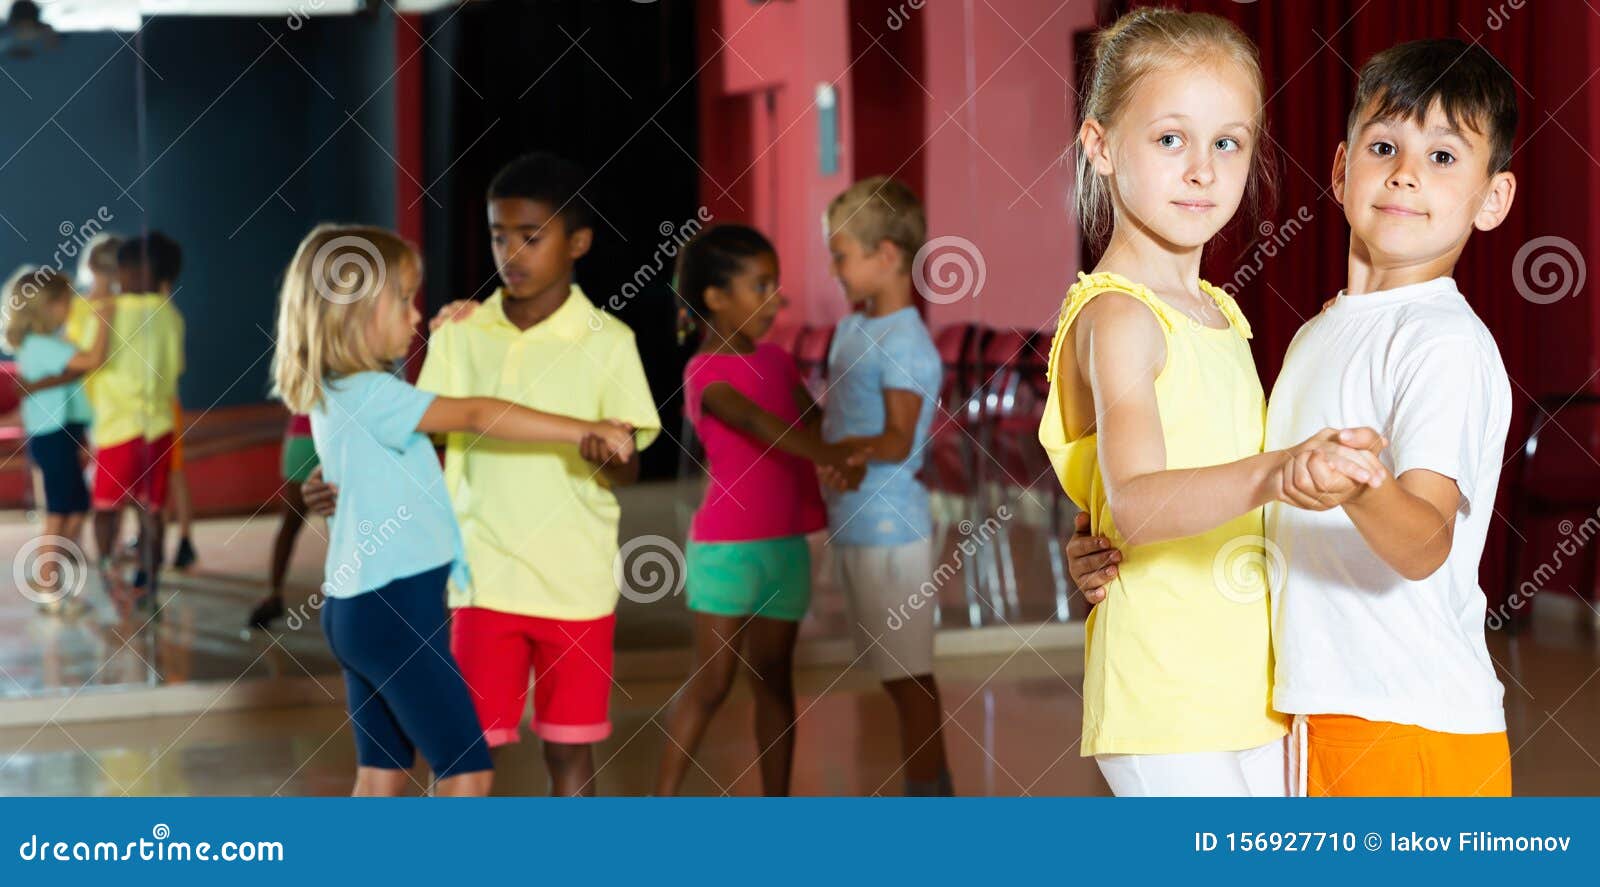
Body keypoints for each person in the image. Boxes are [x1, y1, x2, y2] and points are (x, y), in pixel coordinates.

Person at [1065, 37, 1520, 798]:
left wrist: (1363, 487)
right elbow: (1236, 487)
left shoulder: (1443, 341)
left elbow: (1424, 542)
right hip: (1310, 710)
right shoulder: (1316, 333)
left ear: (1493, 198)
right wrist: (1105, 531)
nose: (1406, 173)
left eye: (1443, 157)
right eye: (1384, 147)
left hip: (1407, 716)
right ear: (1341, 170)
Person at [1037, 7, 1382, 797]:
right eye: (1170, 139)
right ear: (1100, 147)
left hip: (1248, 686)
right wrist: (1279, 471)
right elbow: (1138, 503)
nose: (1202, 170)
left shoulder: (1220, 312)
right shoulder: (1119, 315)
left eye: (1227, 142)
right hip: (1165, 694)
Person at [305, 152, 662, 795]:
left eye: (531, 236)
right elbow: (427, 429)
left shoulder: (610, 341)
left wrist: (615, 457)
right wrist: (341, 483)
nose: (511, 253)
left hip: (576, 584)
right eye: (499, 236)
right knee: (465, 757)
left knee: (569, 755)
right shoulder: (459, 332)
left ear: (578, 242)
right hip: (480, 583)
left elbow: (628, 466)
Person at [654, 224, 864, 796]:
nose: (775, 300)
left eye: (776, 286)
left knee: (774, 679)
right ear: (716, 297)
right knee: (713, 681)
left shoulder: (777, 361)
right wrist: (827, 454)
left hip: (786, 545)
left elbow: (812, 422)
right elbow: (757, 423)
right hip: (726, 550)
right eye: (760, 286)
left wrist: (844, 453)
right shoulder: (703, 372)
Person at [819, 176, 955, 796]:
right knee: (890, 671)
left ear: (887, 256)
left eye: (842, 255)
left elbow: (899, 440)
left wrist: (839, 453)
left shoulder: (907, 342)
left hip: (890, 528)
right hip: (853, 523)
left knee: (907, 676)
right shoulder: (852, 329)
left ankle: (931, 799)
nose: (835, 270)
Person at [1, 266, 114, 613]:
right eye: (67, 301)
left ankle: (51, 577)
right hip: (53, 437)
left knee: (75, 507)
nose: (72, 307)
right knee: (59, 511)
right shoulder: (42, 345)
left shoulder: (49, 343)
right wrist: (106, 319)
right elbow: (93, 360)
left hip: (64, 433)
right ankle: (49, 584)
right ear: (48, 307)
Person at [82, 232, 186, 607]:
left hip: (117, 428)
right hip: (159, 429)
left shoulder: (107, 311)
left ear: (132, 271)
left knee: (105, 508)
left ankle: (107, 572)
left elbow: (88, 360)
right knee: (152, 512)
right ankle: (150, 582)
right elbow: (176, 369)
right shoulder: (171, 315)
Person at [247, 412, 318, 630]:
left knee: (290, 523)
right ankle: (350, 595)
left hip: (301, 436)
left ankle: (273, 594)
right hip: (327, 437)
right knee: (341, 527)